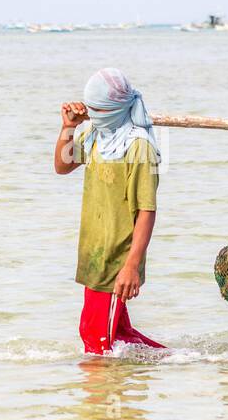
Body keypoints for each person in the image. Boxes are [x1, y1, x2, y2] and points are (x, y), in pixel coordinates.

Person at [54, 68, 165, 354]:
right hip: (94, 252)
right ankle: (177, 362)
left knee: (95, 338)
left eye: (100, 109)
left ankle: (96, 395)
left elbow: (146, 210)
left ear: (118, 109)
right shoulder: (95, 134)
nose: (94, 115)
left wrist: (131, 266)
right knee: (118, 336)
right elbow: (62, 166)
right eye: (91, 109)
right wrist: (69, 127)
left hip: (117, 259)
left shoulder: (139, 147)